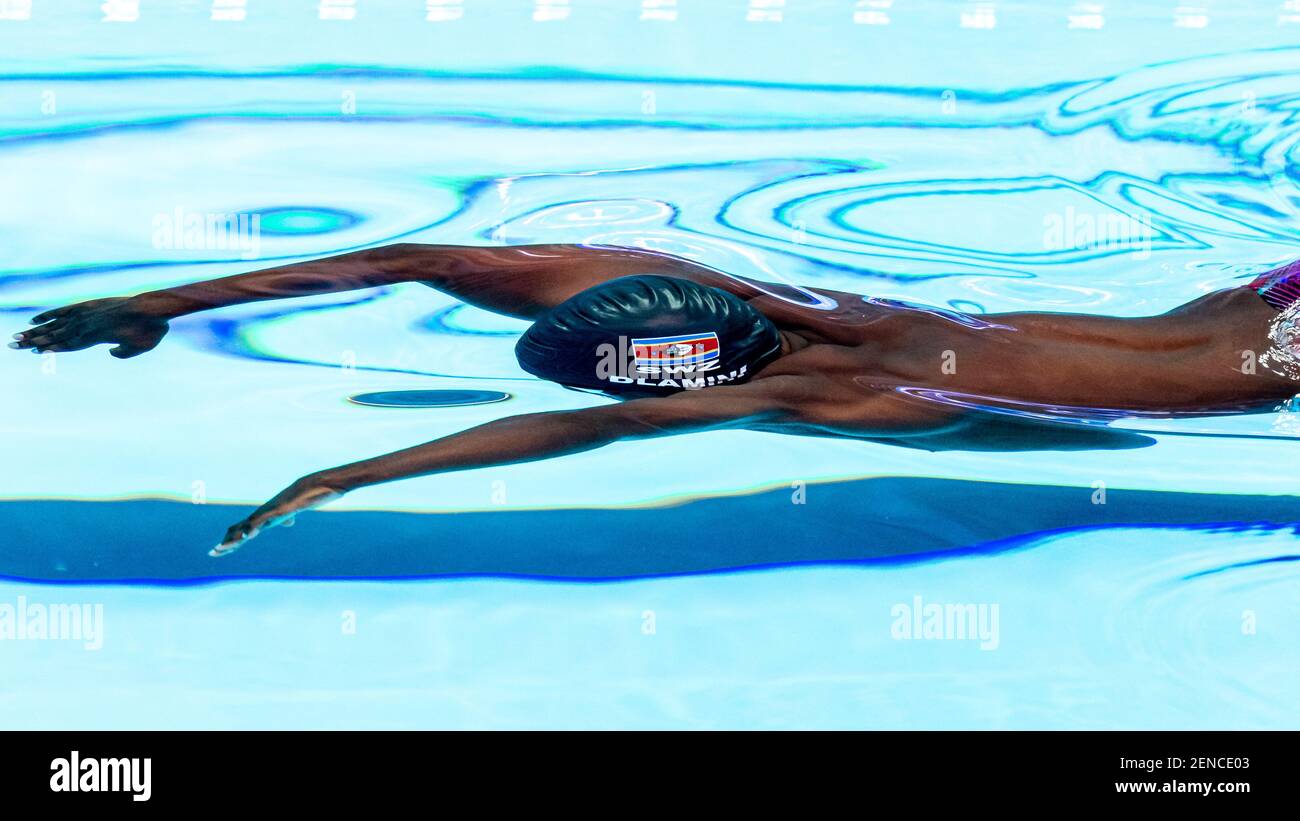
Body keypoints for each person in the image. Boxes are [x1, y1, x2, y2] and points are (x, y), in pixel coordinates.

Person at [12, 244, 1299, 554]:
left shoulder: (850, 389)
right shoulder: (784, 303)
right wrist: (165, 304)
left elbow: (582, 424)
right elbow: (416, 258)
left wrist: (346, 474)